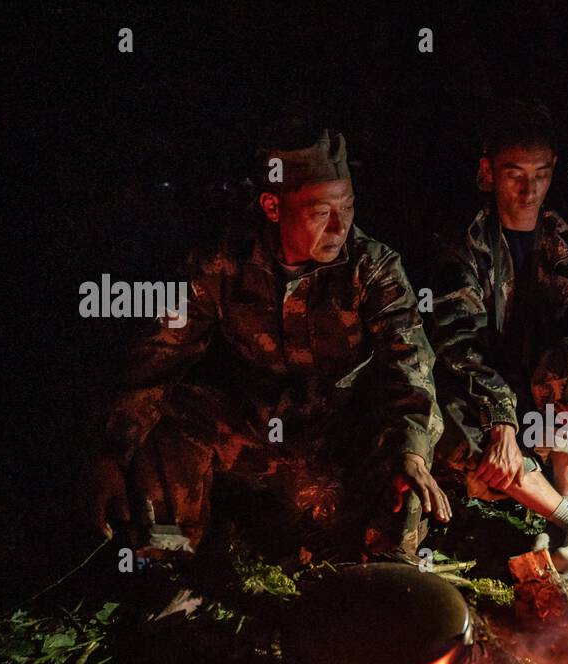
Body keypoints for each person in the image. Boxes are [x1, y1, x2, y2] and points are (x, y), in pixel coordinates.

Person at [81, 128, 449, 559]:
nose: (339, 226)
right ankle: (168, 568)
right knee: (173, 416)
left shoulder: (371, 267)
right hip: (258, 435)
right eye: (320, 212)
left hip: (344, 438)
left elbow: (411, 368)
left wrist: (414, 452)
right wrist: (109, 454)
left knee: (405, 460)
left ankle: (383, 581)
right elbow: (156, 358)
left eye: (347, 207)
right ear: (273, 207)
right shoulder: (223, 264)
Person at [429, 101, 568, 569]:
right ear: (488, 172)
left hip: (548, 392)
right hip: (487, 392)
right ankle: (565, 521)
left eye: (541, 173)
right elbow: (459, 342)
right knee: (444, 414)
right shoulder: (464, 241)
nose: (528, 188)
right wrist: (502, 422)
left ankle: (567, 525)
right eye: (514, 173)